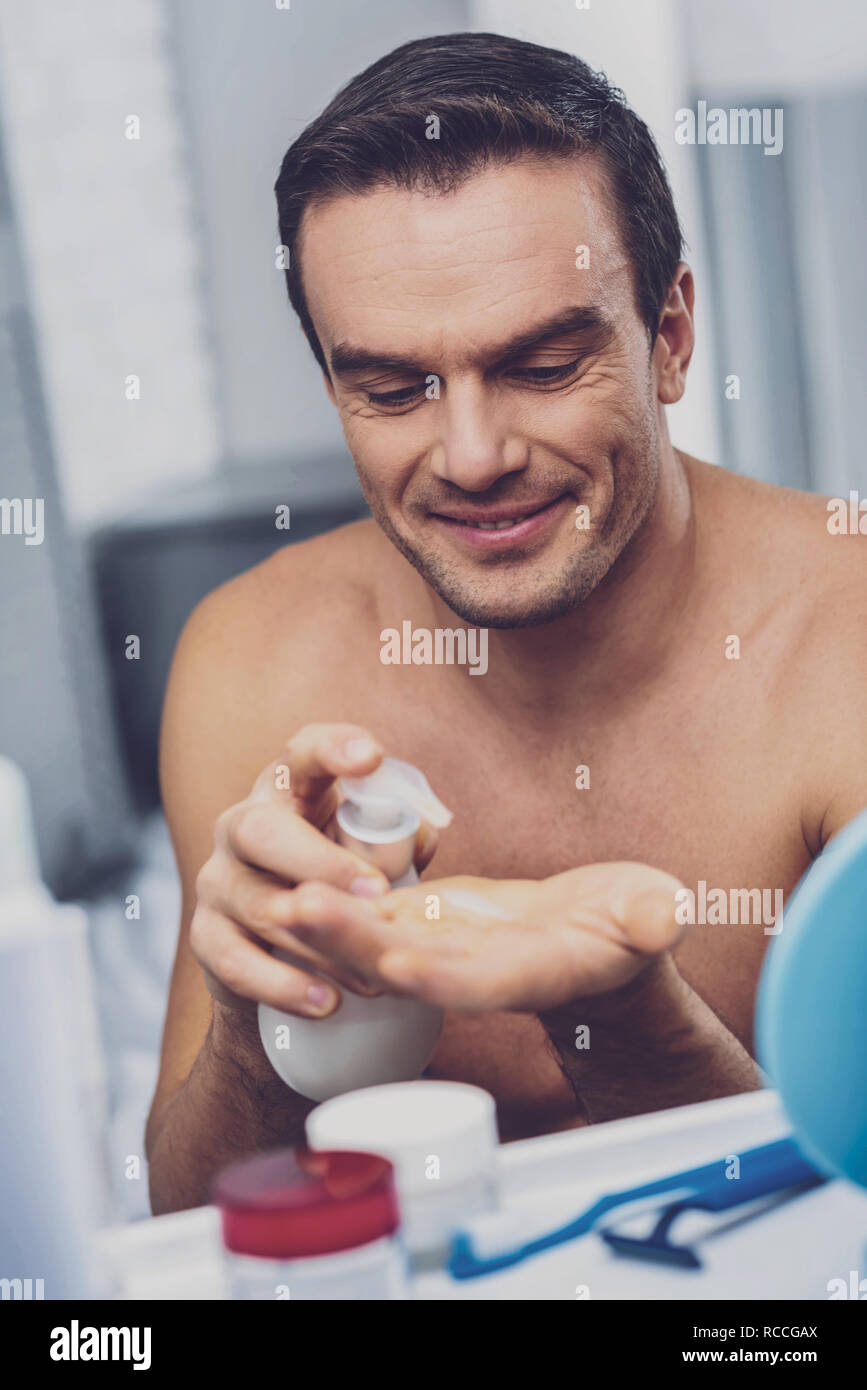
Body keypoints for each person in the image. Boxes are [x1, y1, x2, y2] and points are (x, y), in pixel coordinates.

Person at [146, 32, 866, 1214]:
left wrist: (623, 1009)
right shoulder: (251, 657)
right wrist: (257, 1016)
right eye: (390, 389)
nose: (473, 457)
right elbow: (184, 1228)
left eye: (542, 364)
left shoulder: (848, 636)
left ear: (670, 336)